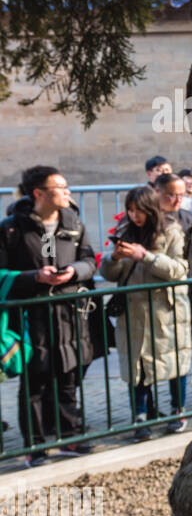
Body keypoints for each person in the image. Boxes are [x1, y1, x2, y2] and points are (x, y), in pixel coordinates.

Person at [1, 167, 102, 463]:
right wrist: (35, 277)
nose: (67, 191)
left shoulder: (73, 223)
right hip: (32, 317)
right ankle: (36, 446)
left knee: (68, 377)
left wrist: (74, 272)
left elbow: (89, 260)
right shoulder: (11, 229)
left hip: (69, 313)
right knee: (35, 382)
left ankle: (71, 436)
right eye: (60, 187)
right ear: (39, 193)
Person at [99, 187, 192, 439]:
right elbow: (110, 274)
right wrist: (114, 258)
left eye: (138, 210)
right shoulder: (124, 231)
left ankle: (177, 410)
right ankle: (140, 416)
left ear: (150, 209)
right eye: (130, 210)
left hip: (165, 311)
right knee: (136, 365)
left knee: (173, 361)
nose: (133, 215)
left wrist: (146, 257)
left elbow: (179, 269)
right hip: (133, 311)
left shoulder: (171, 231)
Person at [155, 172, 192, 237]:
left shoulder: (188, 219)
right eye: (172, 195)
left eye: (181, 195)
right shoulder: (143, 217)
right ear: (156, 192)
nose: (178, 200)